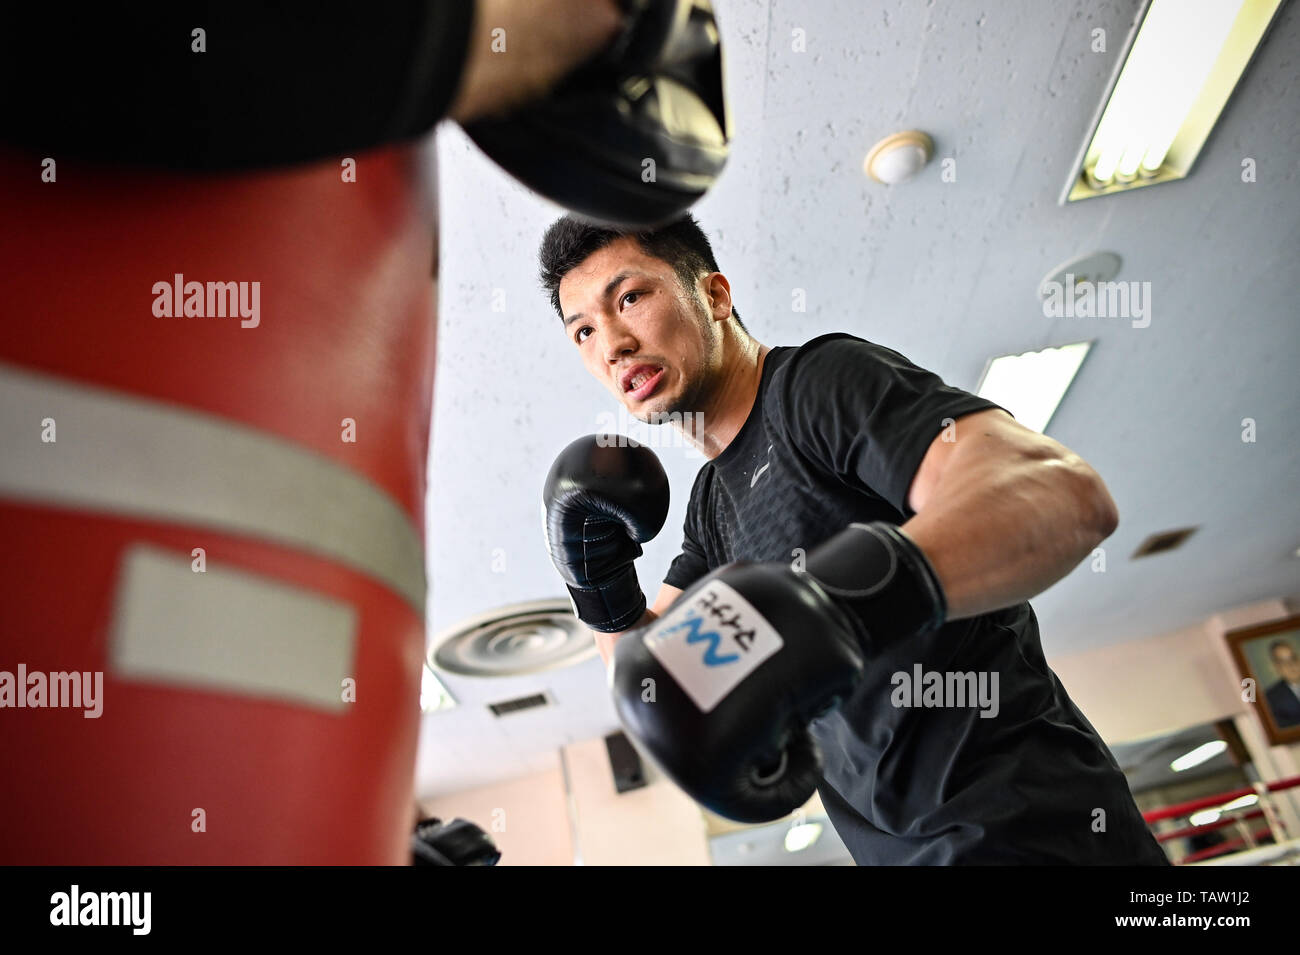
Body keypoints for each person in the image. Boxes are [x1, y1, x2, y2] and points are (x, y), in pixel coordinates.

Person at [539, 213, 1171, 865]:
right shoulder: (711, 504)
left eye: (630, 297)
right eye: (583, 330)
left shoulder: (815, 386)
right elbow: (649, 685)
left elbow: (1064, 494)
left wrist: (840, 608)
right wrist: (598, 584)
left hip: (1031, 830)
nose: (610, 342)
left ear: (716, 295)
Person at [1263, 639, 1300, 728]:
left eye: (1293, 658)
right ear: (1276, 667)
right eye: (1283, 662)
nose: (1291, 665)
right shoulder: (1270, 698)